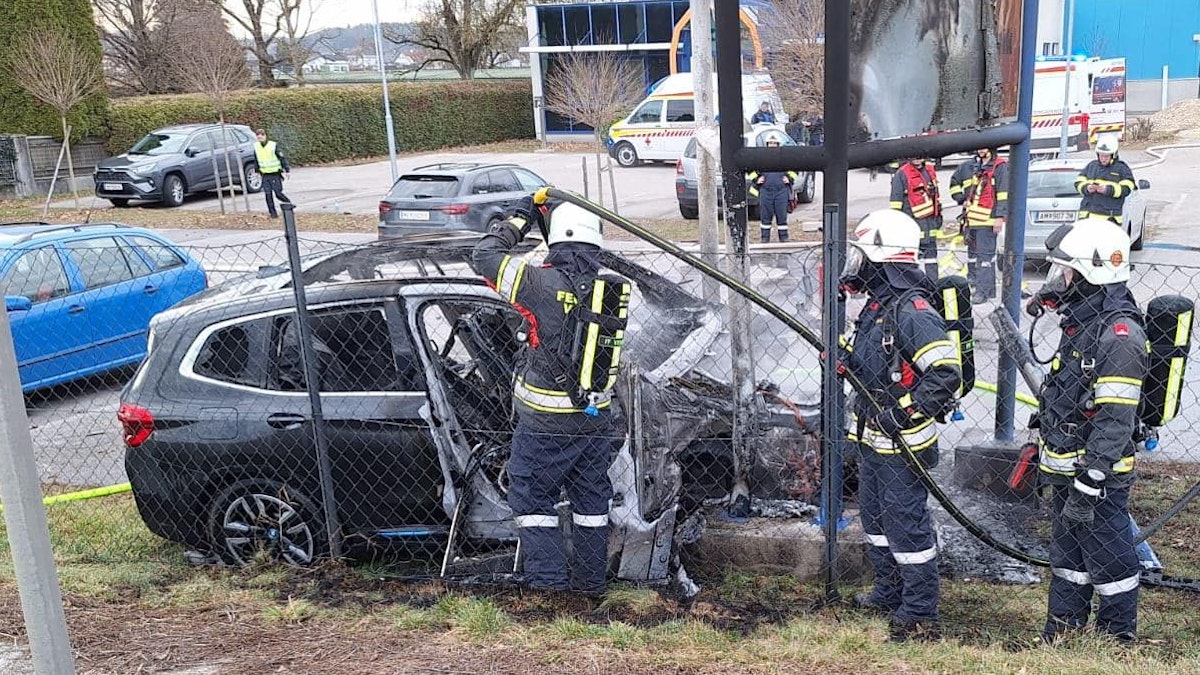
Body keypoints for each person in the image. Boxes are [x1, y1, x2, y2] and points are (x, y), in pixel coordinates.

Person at [469, 195, 623, 595]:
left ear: (556, 240)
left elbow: (483, 255)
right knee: (591, 502)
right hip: (594, 421)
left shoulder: (538, 284)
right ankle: (591, 585)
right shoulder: (608, 289)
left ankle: (548, 588)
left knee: (533, 498)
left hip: (543, 425)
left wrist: (520, 218)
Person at [840, 209, 962, 642]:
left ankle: (919, 609)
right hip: (874, 440)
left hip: (903, 445)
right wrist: (843, 359)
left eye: (863, 256)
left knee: (906, 524)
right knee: (875, 521)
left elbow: (946, 374)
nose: (857, 265)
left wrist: (903, 412)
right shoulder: (878, 307)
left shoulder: (913, 310)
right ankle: (888, 592)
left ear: (882, 259)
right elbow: (871, 357)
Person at [1026, 218, 1146, 645]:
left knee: (1110, 557)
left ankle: (1116, 638)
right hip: (1067, 469)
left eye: (1067, 272)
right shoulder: (1083, 323)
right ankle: (1061, 631)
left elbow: (1115, 419)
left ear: (1091, 273)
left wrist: (1092, 479)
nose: (1061, 279)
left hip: (1099, 477)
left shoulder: (1119, 336)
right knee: (1068, 557)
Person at [948, 147, 1007, 302]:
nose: (981, 150)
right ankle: (981, 287)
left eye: (984, 148)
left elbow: (1002, 195)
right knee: (974, 256)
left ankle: (982, 292)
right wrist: (962, 199)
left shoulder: (999, 167)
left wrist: (999, 217)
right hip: (972, 220)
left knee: (985, 258)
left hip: (987, 221)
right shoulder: (975, 167)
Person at [889, 156, 943, 278]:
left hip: (930, 223)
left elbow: (935, 196)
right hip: (912, 223)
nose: (918, 159)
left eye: (920, 157)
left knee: (931, 260)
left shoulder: (929, 170)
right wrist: (898, 223)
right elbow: (895, 201)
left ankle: (932, 287)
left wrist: (938, 216)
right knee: (912, 261)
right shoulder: (902, 173)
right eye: (914, 157)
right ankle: (914, 288)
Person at [747, 131, 797, 243]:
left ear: (778, 144)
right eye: (770, 143)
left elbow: (795, 168)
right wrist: (756, 179)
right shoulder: (761, 157)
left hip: (781, 191)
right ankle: (765, 238)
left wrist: (789, 178)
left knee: (782, 217)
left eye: (775, 143)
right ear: (767, 144)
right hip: (765, 191)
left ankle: (784, 238)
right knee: (765, 217)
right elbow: (749, 168)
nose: (772, 145)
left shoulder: (784, 157)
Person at [1075, 135, 1137, 225]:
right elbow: (1078, 182)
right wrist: (1087, 188)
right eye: (1101, 156)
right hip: (1088, 218)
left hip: (1110, 219)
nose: (1103, 159)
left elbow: (1127, 188)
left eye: (1106, 156)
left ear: (1113, 155)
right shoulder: (1092, 166)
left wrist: (1108, 190)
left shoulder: (1121, 169)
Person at [254, 128, 291, 218]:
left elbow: (282, 158)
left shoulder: (273, 145)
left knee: (278, 193)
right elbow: (256, 159)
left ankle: (289, 205)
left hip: (275, 173)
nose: (260, 139)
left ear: (265, 136)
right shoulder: (256, 146)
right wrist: (257, 171)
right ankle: (273, 213)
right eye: (258, 138)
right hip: (265, 174)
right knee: (268, 194)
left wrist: (287, 170)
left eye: (261, 137)